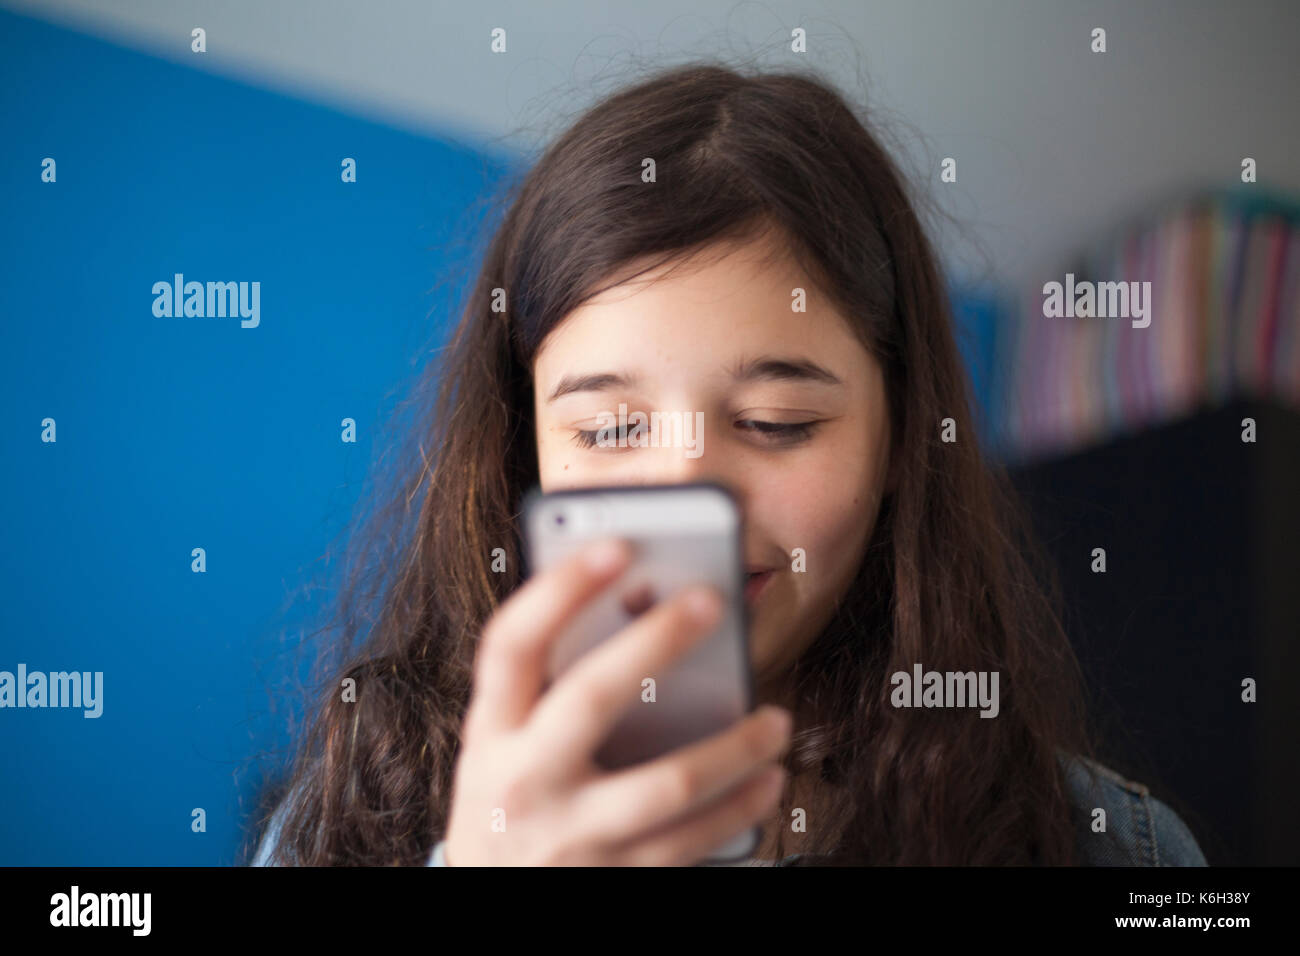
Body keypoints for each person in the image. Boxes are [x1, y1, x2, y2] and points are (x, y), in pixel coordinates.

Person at [250, 62, 1207, 867]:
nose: (684, 494)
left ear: (897, 443)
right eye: (610, 430)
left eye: (776, 420)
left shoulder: (1117, 849)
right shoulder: (347, 817)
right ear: (525, 456)